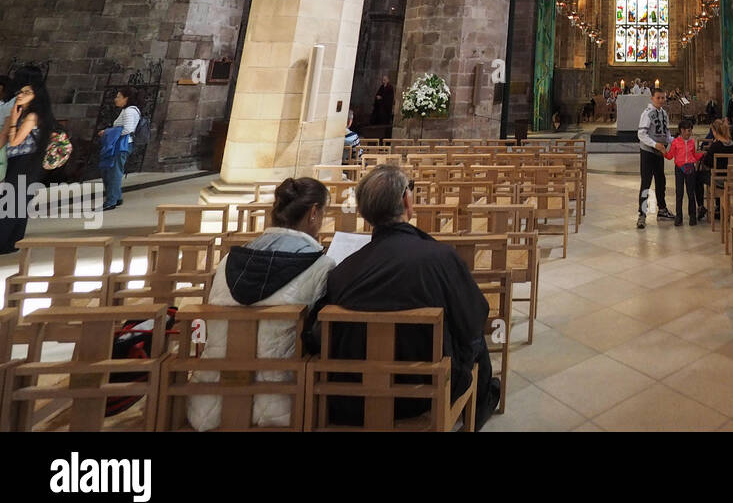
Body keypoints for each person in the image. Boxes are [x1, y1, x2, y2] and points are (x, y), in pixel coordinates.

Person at [319, 166, 500, 429]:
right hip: (423, 394)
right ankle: (481, 402)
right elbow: (475, 318)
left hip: (353, 397)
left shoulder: (341, 271)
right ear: (406, 200)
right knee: (472, 331)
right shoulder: (440, 258)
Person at [188, 177, 335, 430]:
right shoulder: (321, 266)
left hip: (209, 402)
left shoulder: (227, 262)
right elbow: (321, 338)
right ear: (314, 213)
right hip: (285, 404)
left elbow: (206, 331)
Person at [0, 81, 55, 254]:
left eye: (27, 92)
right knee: (18, 202)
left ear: (36, 97)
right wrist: (11, 120)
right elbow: (3, 139)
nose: (21, 95)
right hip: (15, 161)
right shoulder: (16, 114)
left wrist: (13, 121)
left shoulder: (32, 116)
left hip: (28, 162)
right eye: (21, 91)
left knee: (12, 201)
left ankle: (6, 242)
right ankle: (12, 243)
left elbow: (15, 141)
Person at [96, 86, 140, 211]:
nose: (116, 99)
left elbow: (127, 129)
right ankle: (117, 197)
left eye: (119, 97)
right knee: (112, 171)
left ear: (126, 98)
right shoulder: (129, 110)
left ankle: (111, 201)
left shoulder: (129, 111)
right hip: (121, 144)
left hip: (121, 145)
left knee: (113, 173)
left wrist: (107, 132)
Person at [635, 88, 673, 228]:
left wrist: (675, 141)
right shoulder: (647, 113)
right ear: (652, 98)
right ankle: (642, 214)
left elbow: (666, 134)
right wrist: (654, 144)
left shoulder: (664, 113)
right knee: (646, 183)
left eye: (663, 98)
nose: (661, 100)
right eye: (658, 98)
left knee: (661, 181)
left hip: (659, 151)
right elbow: (641, 134)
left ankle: (662, 210)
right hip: (648, 152)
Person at [696, 118, 733, 222]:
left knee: (698, 177)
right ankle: (719, 206)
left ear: (715, 132)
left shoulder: (716, 146)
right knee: (716, 172)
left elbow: (707, 163)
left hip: (719, 181)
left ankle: (701, 206)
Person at [665, 120, 702, 226]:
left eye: (690, 131)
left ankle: (692, 216)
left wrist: (702, 154)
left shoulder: (692, 142)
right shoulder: (675, 142)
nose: (690, 133)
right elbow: (670, 156)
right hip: (679, 169)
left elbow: (694, 155)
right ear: (682, 130)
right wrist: (663, 152)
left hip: (690, 168)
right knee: (679, 193)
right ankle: (679, 217)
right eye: (688, 131)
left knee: (691, 193)